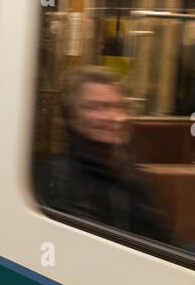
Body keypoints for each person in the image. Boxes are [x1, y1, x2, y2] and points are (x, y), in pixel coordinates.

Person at [35, 66, 171, 243]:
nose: (112, 117)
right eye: (97, 107)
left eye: (118, 107)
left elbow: (160, 236)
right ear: (72, 117)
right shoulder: (54, 179)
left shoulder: (129, 173)